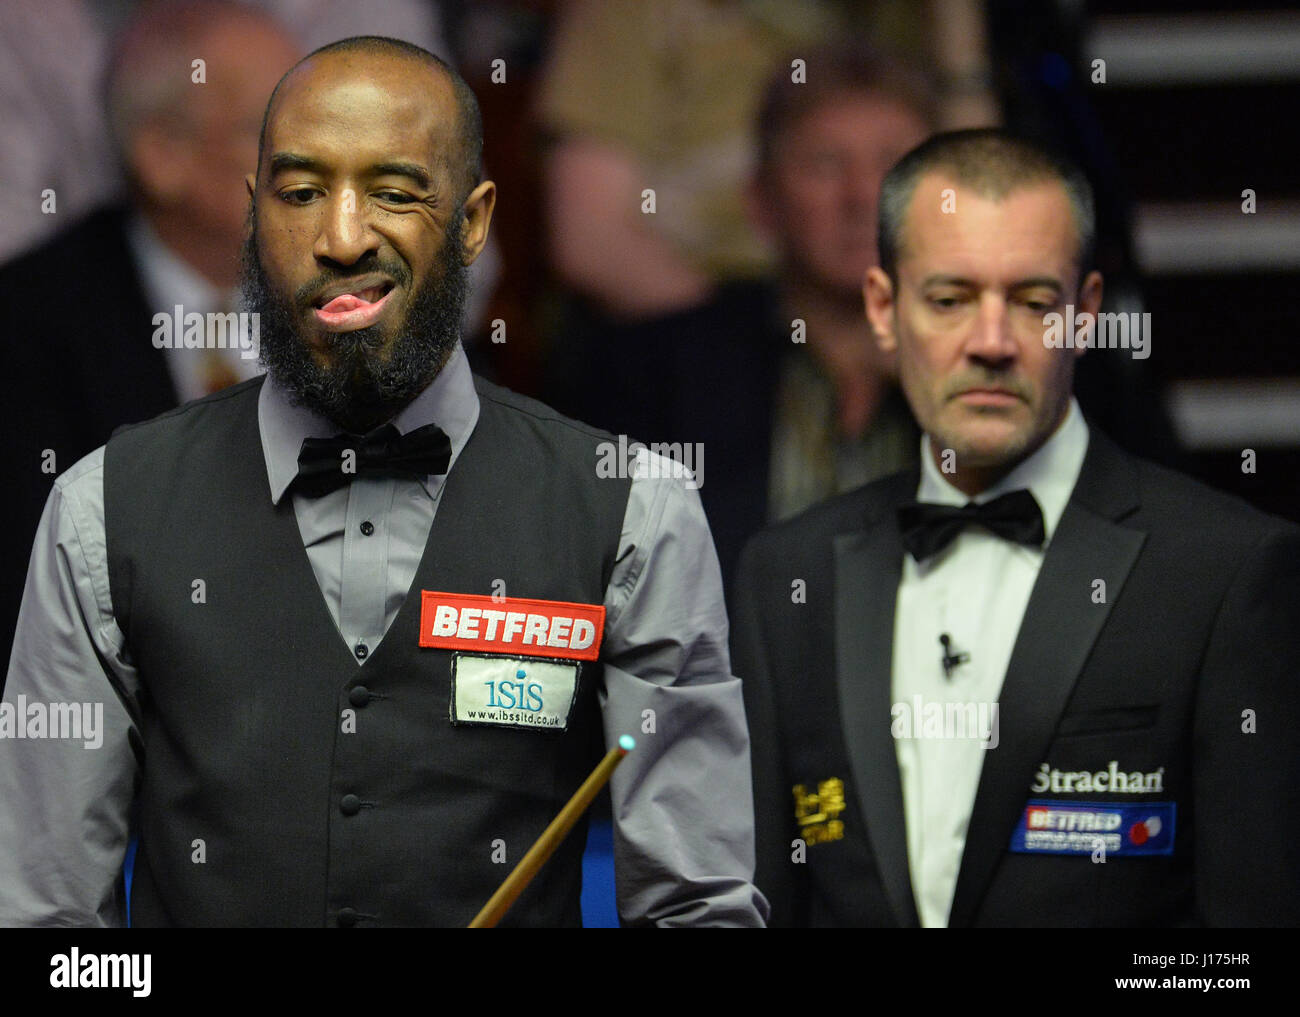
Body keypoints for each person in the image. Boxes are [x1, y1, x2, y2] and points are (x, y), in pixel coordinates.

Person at [0, 35, 766, 928]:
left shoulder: (633, 510)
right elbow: (50, 929)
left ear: (475, 220)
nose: (342, 236)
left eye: (395, 193)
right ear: (255, 214)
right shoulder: (101, 509)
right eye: (300, 193)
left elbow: (696, 911)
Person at [732, 129, 1300, 927]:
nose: (992, 342)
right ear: (884, 309)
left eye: (1033, 302)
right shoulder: (786, 578)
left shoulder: (1224, 570)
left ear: (1087, 314)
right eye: (949, 299)